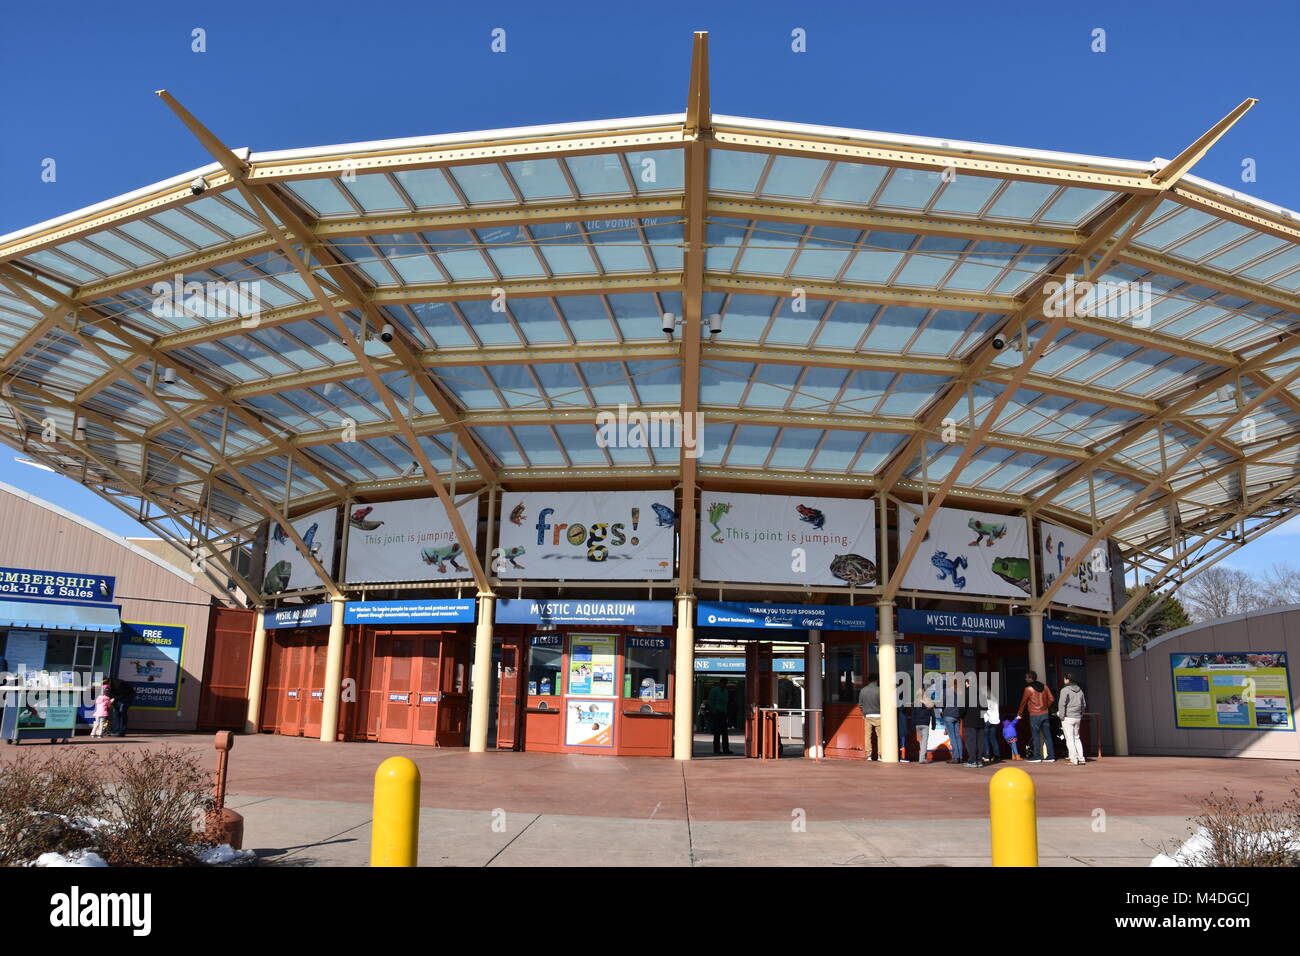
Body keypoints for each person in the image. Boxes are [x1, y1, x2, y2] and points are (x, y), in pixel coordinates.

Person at [1016, 670, 1055, 762]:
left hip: (1034, 715)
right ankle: (1051, 756)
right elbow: (1052, 699)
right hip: (1044, 714)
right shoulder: (1044, 687)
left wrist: (1019, 713)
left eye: (1026, 677)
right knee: (1047, 736)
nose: (1025, 679)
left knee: (1035, 735)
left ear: (1030, 678)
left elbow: (1023, 702)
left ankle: (1037, 756)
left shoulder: (1028, 689)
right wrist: (1045, 707)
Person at [1058, 673, 1087, 765]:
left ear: (1067, 680)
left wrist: (1061, 716)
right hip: (1077, 717)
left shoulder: (1064, 690)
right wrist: (1081, 714)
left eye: (1064, 679)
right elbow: (1084, 705)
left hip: (1067, 717)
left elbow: (1062, 704)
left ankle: (1073, 759)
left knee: (1070, 739)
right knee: (1077, 738)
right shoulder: (1080, 690)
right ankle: (1081, 758)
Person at [939, 675, 965, 765]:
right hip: (957, 716)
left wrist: (942, 710)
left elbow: (942, 703)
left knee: (952, 737)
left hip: (948, 715)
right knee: (957, 736)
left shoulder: (947, 691)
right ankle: (960, 757)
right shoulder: (960, 692)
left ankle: (955, 757)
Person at [858, 676, 882, 760]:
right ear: (876, 680)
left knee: (867, 736)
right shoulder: (880, 690)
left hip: (867, 716)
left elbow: (860, 705)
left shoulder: (863, 690)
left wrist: (864, 713)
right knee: (880, 736)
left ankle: (869, 755)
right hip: (879, 715)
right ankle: (880, 755)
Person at [708, 679, 733, 755]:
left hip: (723, 713)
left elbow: (726, 702)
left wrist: (726, 712)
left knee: (725, 732)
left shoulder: (725, 691)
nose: (725, 685)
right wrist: (713, 711)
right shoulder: (714, 690)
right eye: (724, 683)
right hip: (716, 713)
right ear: (720, 683)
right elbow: (710, 701)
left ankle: (726, 749)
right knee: (717, 732)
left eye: (725, 683)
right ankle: (716, 749)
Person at [979, 682, 1001, 765]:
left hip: (987, 719)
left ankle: (987, 755)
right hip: (995, 720)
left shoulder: (984, 698)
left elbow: (984, 709)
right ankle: (997, 755)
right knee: (993, 738)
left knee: (985, 738)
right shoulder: (994, 698)